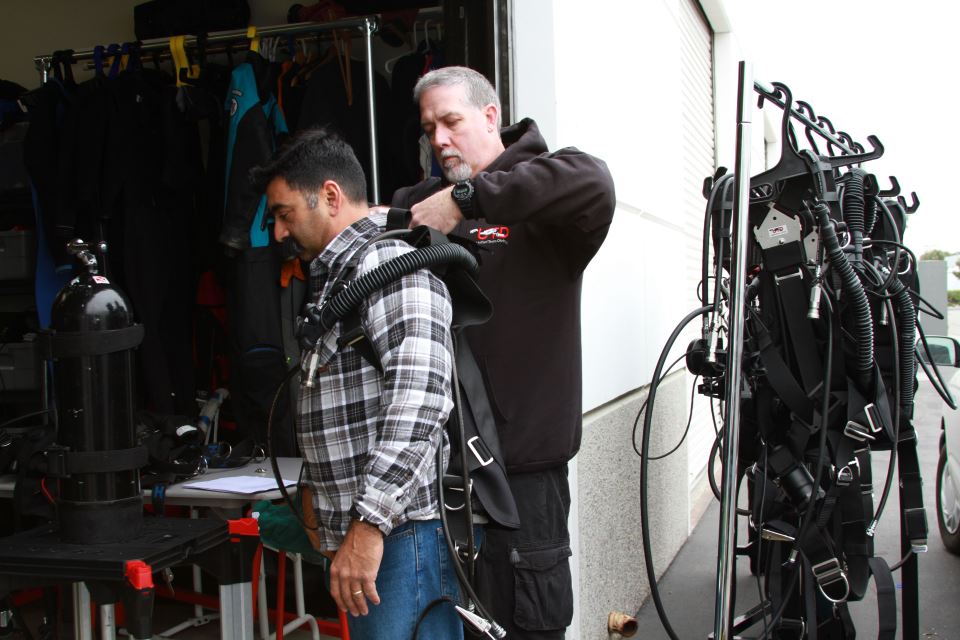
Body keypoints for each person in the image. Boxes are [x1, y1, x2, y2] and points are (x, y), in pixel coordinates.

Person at [391, 66, 616, 639]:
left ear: (491, 117)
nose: (439, 139)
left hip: (523, 488)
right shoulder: (416, 207)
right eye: (429, 128)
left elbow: (595, 182)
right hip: (433, 489)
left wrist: (467, 200)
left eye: (451, 121)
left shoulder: (546, 202)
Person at [254, 128, 464, 640]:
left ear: (329, 196)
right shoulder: (337, 279)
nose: (278, 233)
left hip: (399, 535)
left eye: (284, 214)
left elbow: (420, 400)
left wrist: (368, 528)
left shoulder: (391, 265)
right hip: (372, 538)